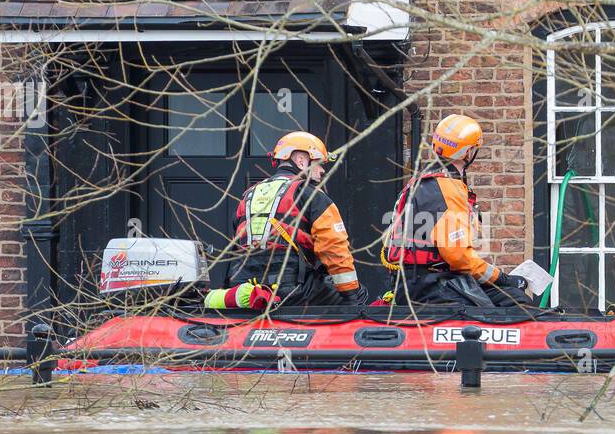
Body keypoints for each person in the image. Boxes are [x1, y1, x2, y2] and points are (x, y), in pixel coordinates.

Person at [384, 113, 533, 307]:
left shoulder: (425, 181)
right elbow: (458, 257)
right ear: (468, 152)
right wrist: (502, 278)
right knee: (514, 304)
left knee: (513, 298)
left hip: (420, 282)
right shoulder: (447, 189)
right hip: (430, 286)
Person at [226, 131, 370, 307]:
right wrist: (352, 296)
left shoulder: (248, 196)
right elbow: (334, 249)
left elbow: (237, 243)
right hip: (292, 290)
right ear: (302, 161)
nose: (322, 170)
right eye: (318, 163)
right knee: (358, 293)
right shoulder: (311, 196)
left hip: (248, 291)